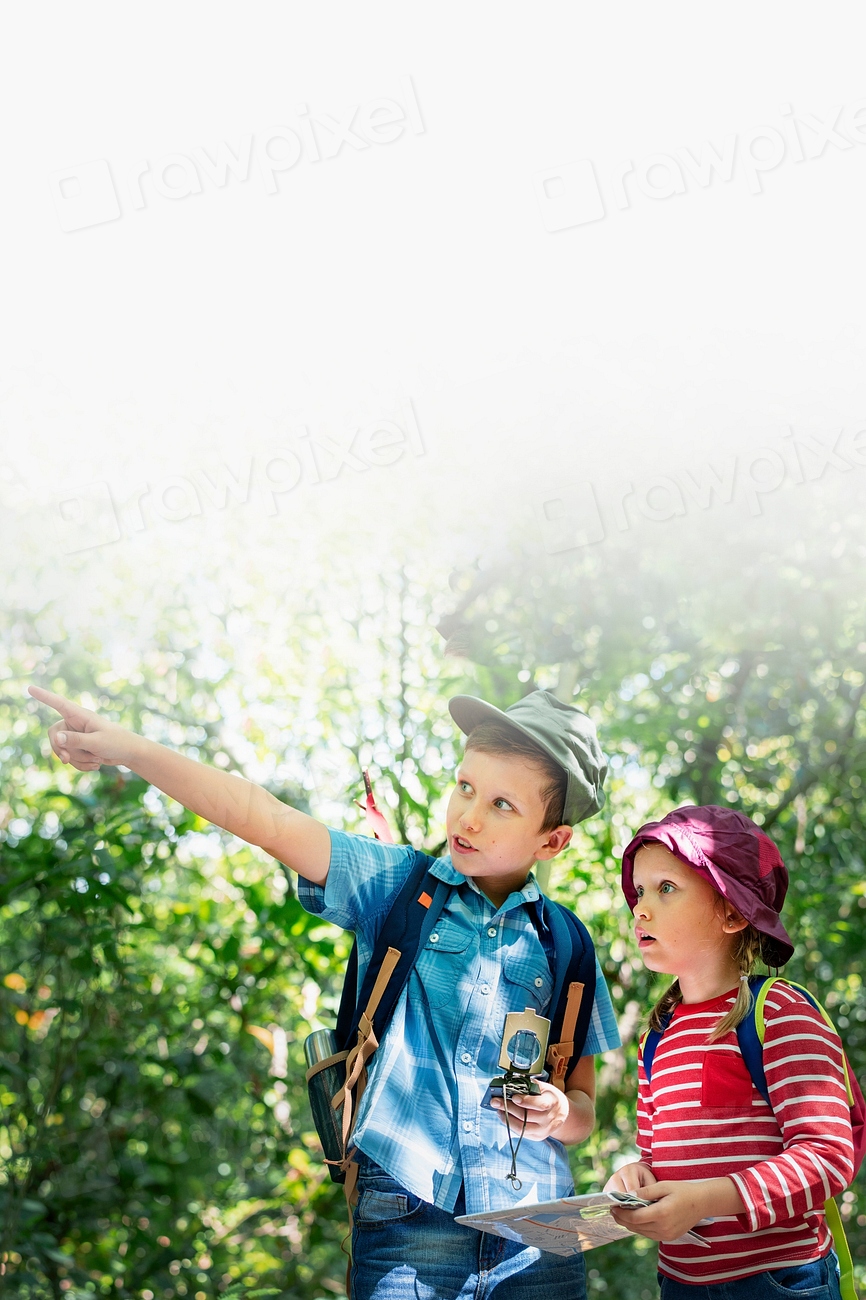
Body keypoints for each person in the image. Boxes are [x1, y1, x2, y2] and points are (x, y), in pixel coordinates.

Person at [29, 683, 621, 1300]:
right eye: (465, 787)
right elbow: (263, 816)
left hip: (537, 1237)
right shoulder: (398, 885)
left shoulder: (566, 942)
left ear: (552, 842)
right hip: (407, 1218)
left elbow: (582, 1109)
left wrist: (558, 1114)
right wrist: (130, 749)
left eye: (502, 804)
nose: (468, 815)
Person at [605, 805, 854, 1300]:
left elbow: (827, 1159)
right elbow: (656, 1158)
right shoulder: (657, 1034)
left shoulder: (778, 1012)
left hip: (779, 1282)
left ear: (733, 911)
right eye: (638, 892)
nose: (640, 908)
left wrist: (706, 1200)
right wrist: (633, 1176)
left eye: (666, 889)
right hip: (680, 1283)